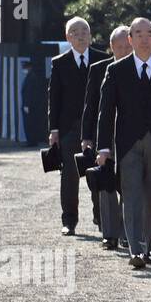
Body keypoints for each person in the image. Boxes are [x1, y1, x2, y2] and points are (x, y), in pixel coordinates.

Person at [96, 18, 151, 269]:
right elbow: (106, 111)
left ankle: (148, 246)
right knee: (131, 194)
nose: (145, 38)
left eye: (149, 33)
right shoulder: (116, 70)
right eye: (139, 33)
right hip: (127, 143)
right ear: (130, 39)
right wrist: (103, 148)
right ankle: (135, 249)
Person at [82, 25, 132, 249]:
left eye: (126, 46)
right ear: (111, 48)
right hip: (105, 137)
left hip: (130, 137)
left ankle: (126, 231)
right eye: (118, 47)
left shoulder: (139, 68)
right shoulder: (99, 69)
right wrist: (87, 137)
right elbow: (91, 106)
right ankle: (109, 233)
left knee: (129, 186)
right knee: (107, 185)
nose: (123, 50)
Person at [47, 17, 94, 236]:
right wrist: (54, 130)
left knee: (98, 172)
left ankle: (102, 218)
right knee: (69, 176)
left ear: (91, 35)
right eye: (75, 31)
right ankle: (69, 220)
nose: (81, 35)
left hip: (94, 127)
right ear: (68, 37)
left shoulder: (102, 59)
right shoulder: (59, 62)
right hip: (68, 128)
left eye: (85, 30)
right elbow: (54, 98)